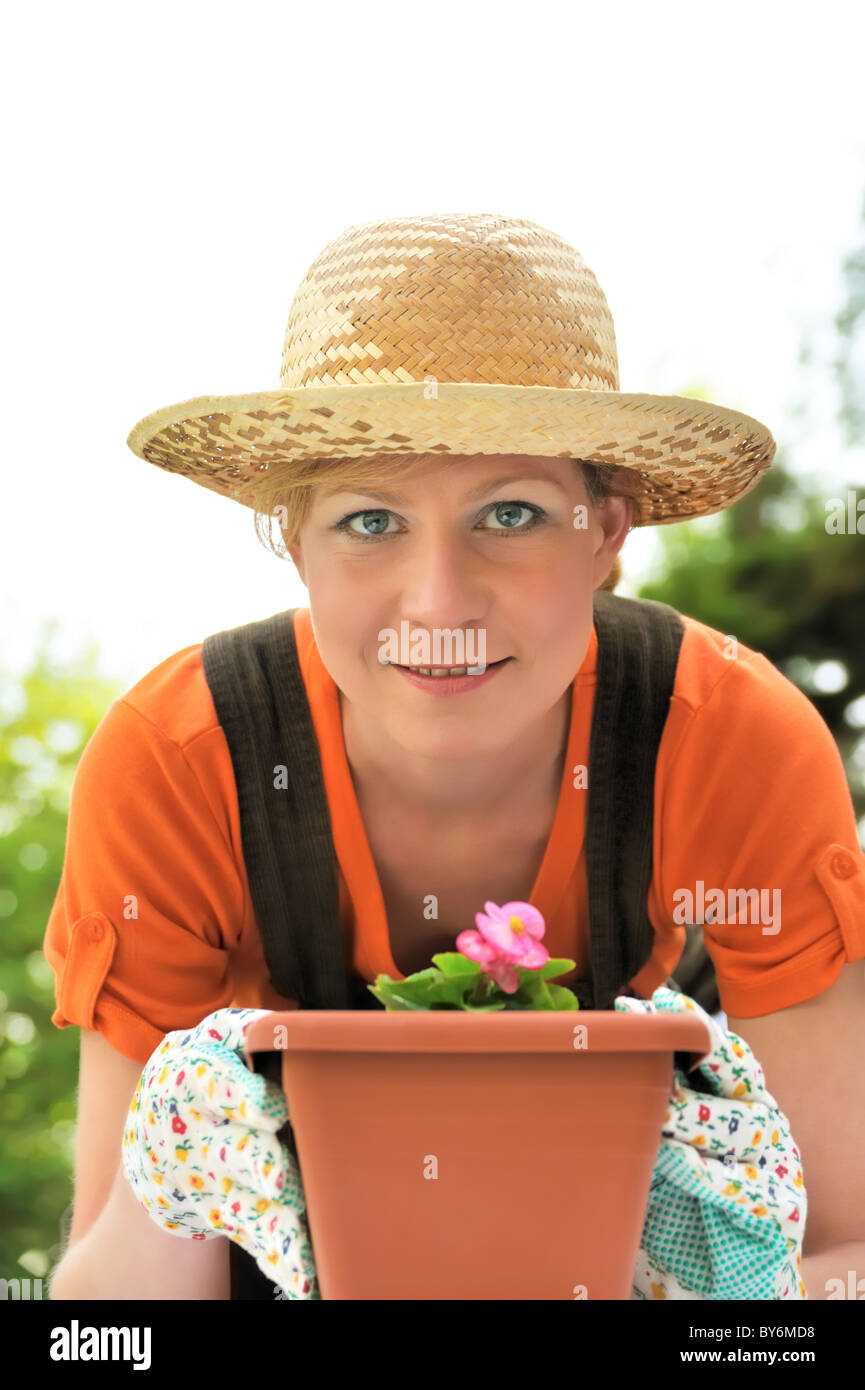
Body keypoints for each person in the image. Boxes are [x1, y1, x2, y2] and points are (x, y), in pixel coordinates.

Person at [45, 212, 865, 1300]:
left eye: (511, 511)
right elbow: (109, 1325)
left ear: (606, 532)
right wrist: (172, 1169)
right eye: (370, 520)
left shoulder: (724, 736)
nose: (437, 603)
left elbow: (837, 1258)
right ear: (294, 542)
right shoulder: (178, 760)